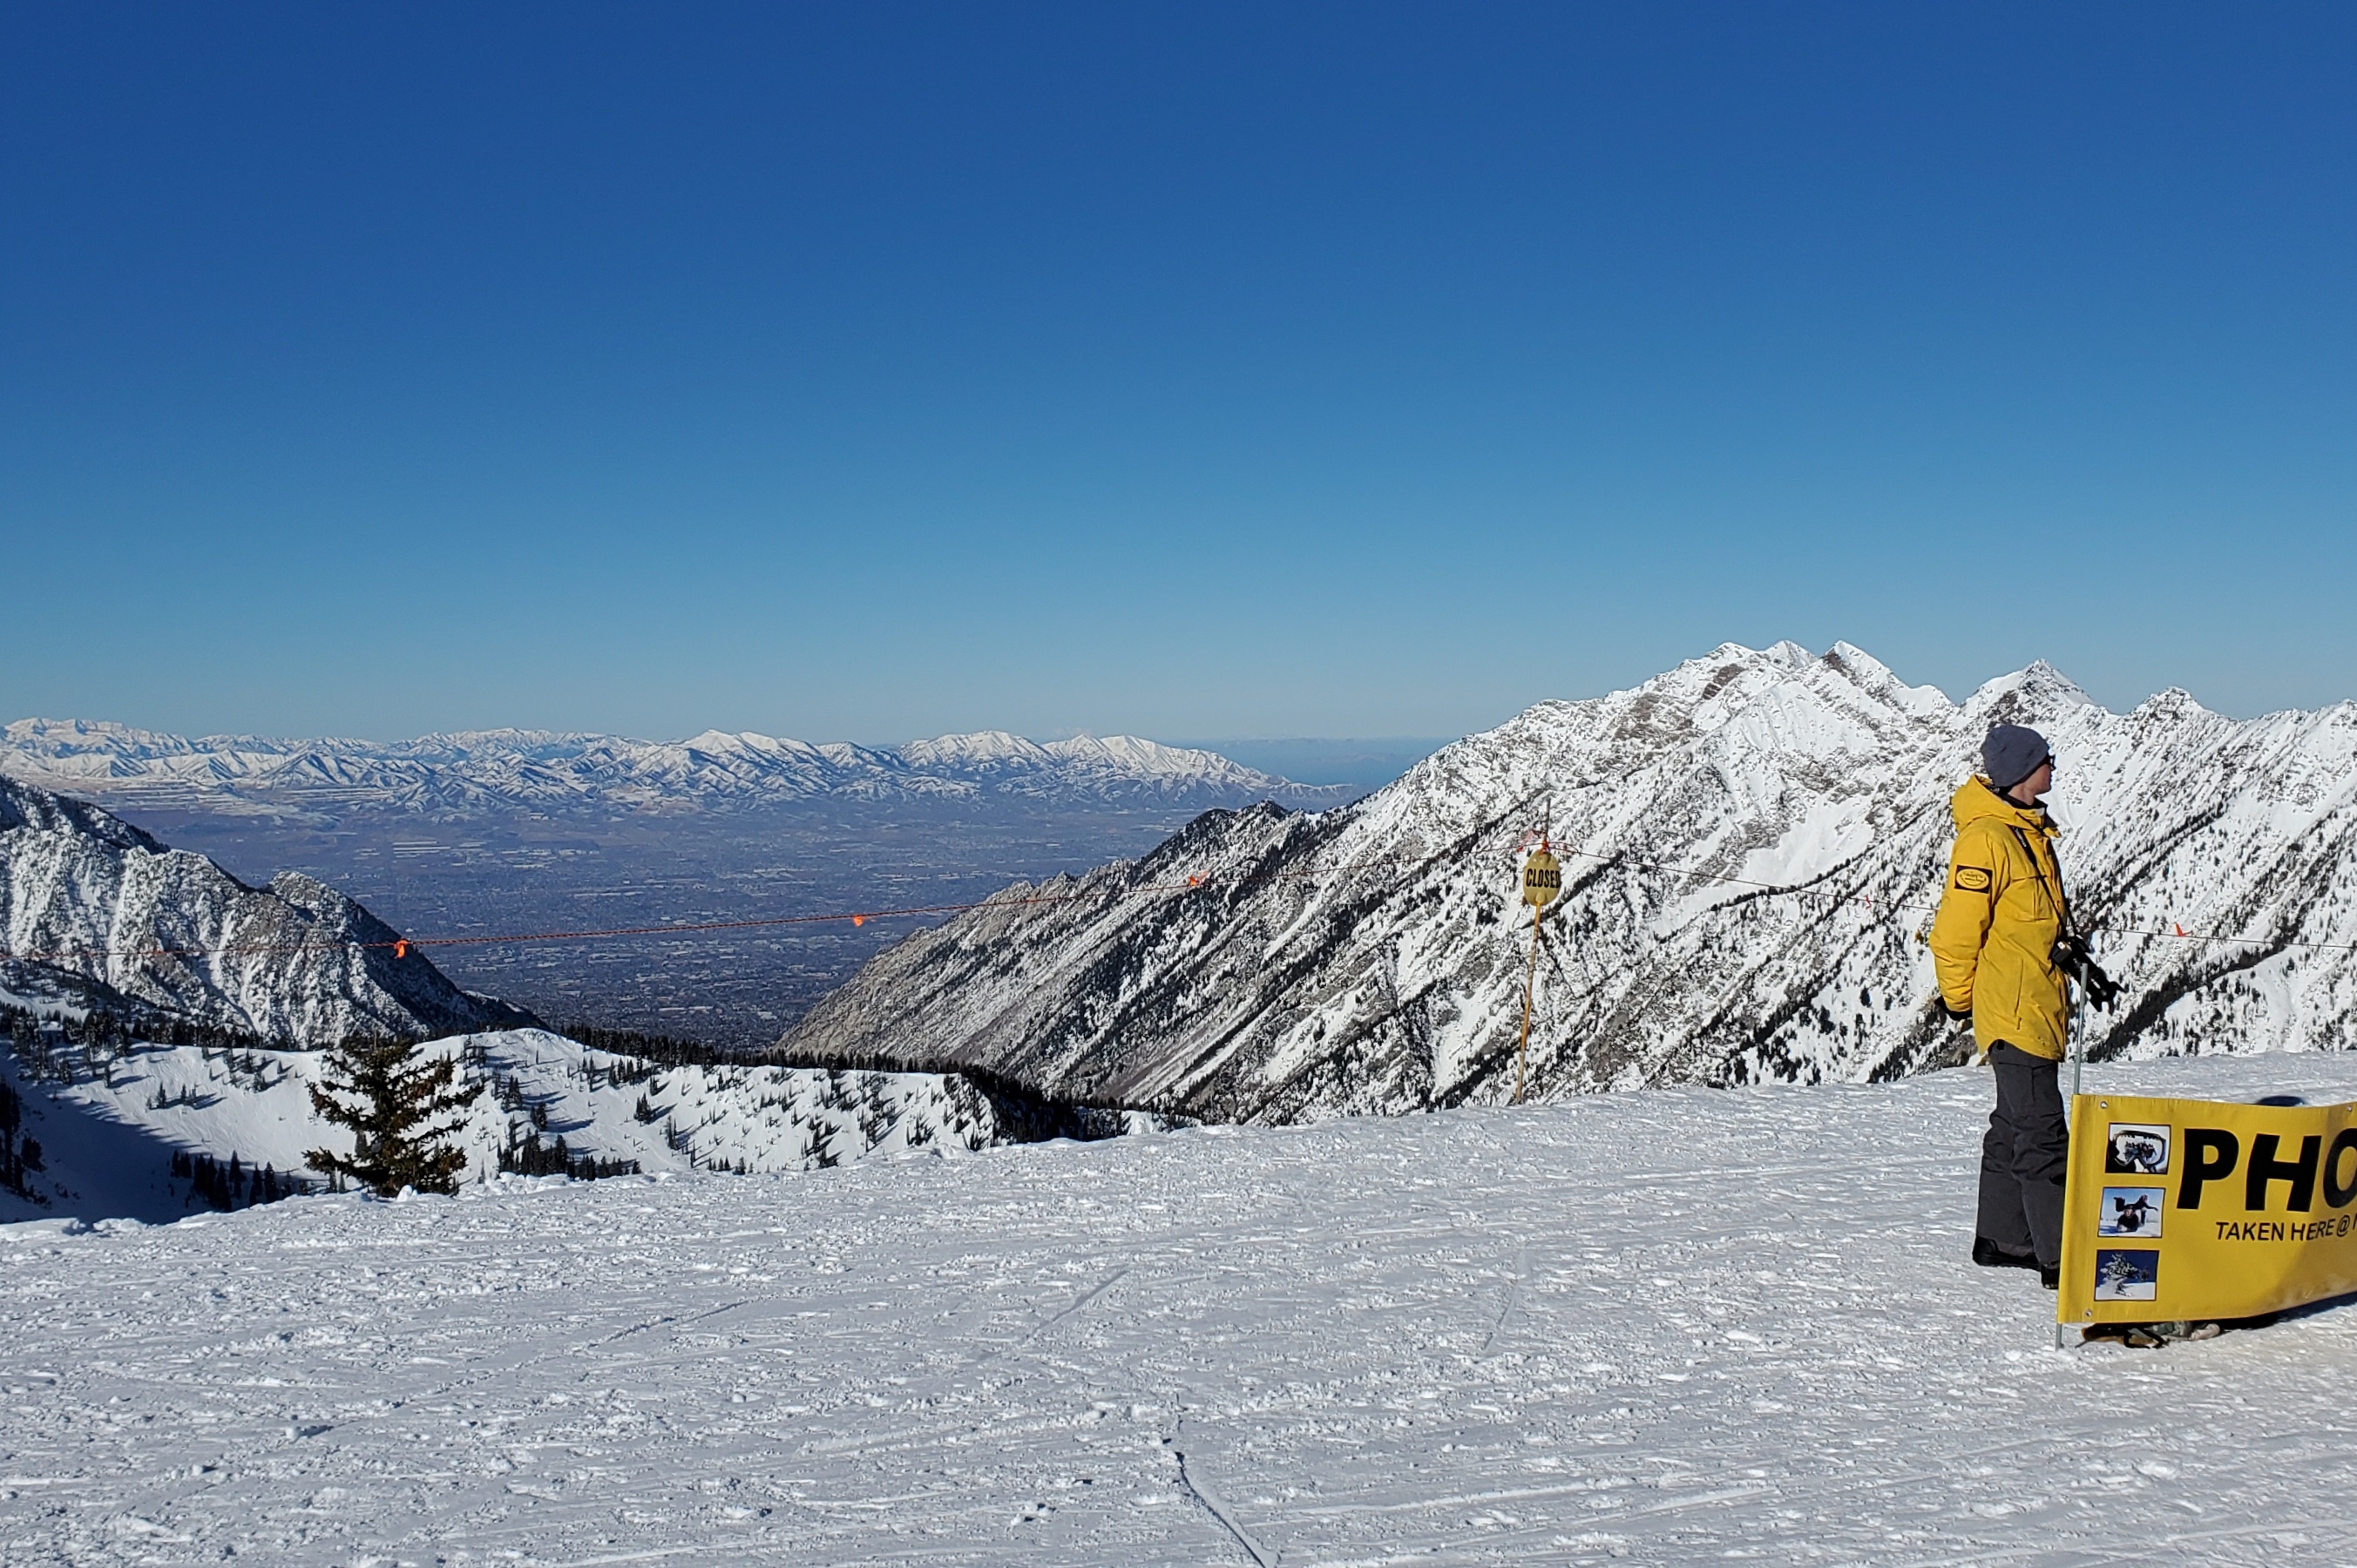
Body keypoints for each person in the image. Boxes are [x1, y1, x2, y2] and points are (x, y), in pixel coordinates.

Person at [1931, 723, 2070, 1288]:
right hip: (2015, 1010)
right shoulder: (1987, 839)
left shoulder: (2025, 832)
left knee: (2013, 1122)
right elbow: (1955, 932)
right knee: (2042, 1132)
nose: (2052, 767)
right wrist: (1959, 999)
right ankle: (2060, 1257)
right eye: (2045, 760)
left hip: (2033, 998)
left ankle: (2001, 1236)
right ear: (2019, 771)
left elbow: (2029, 923)